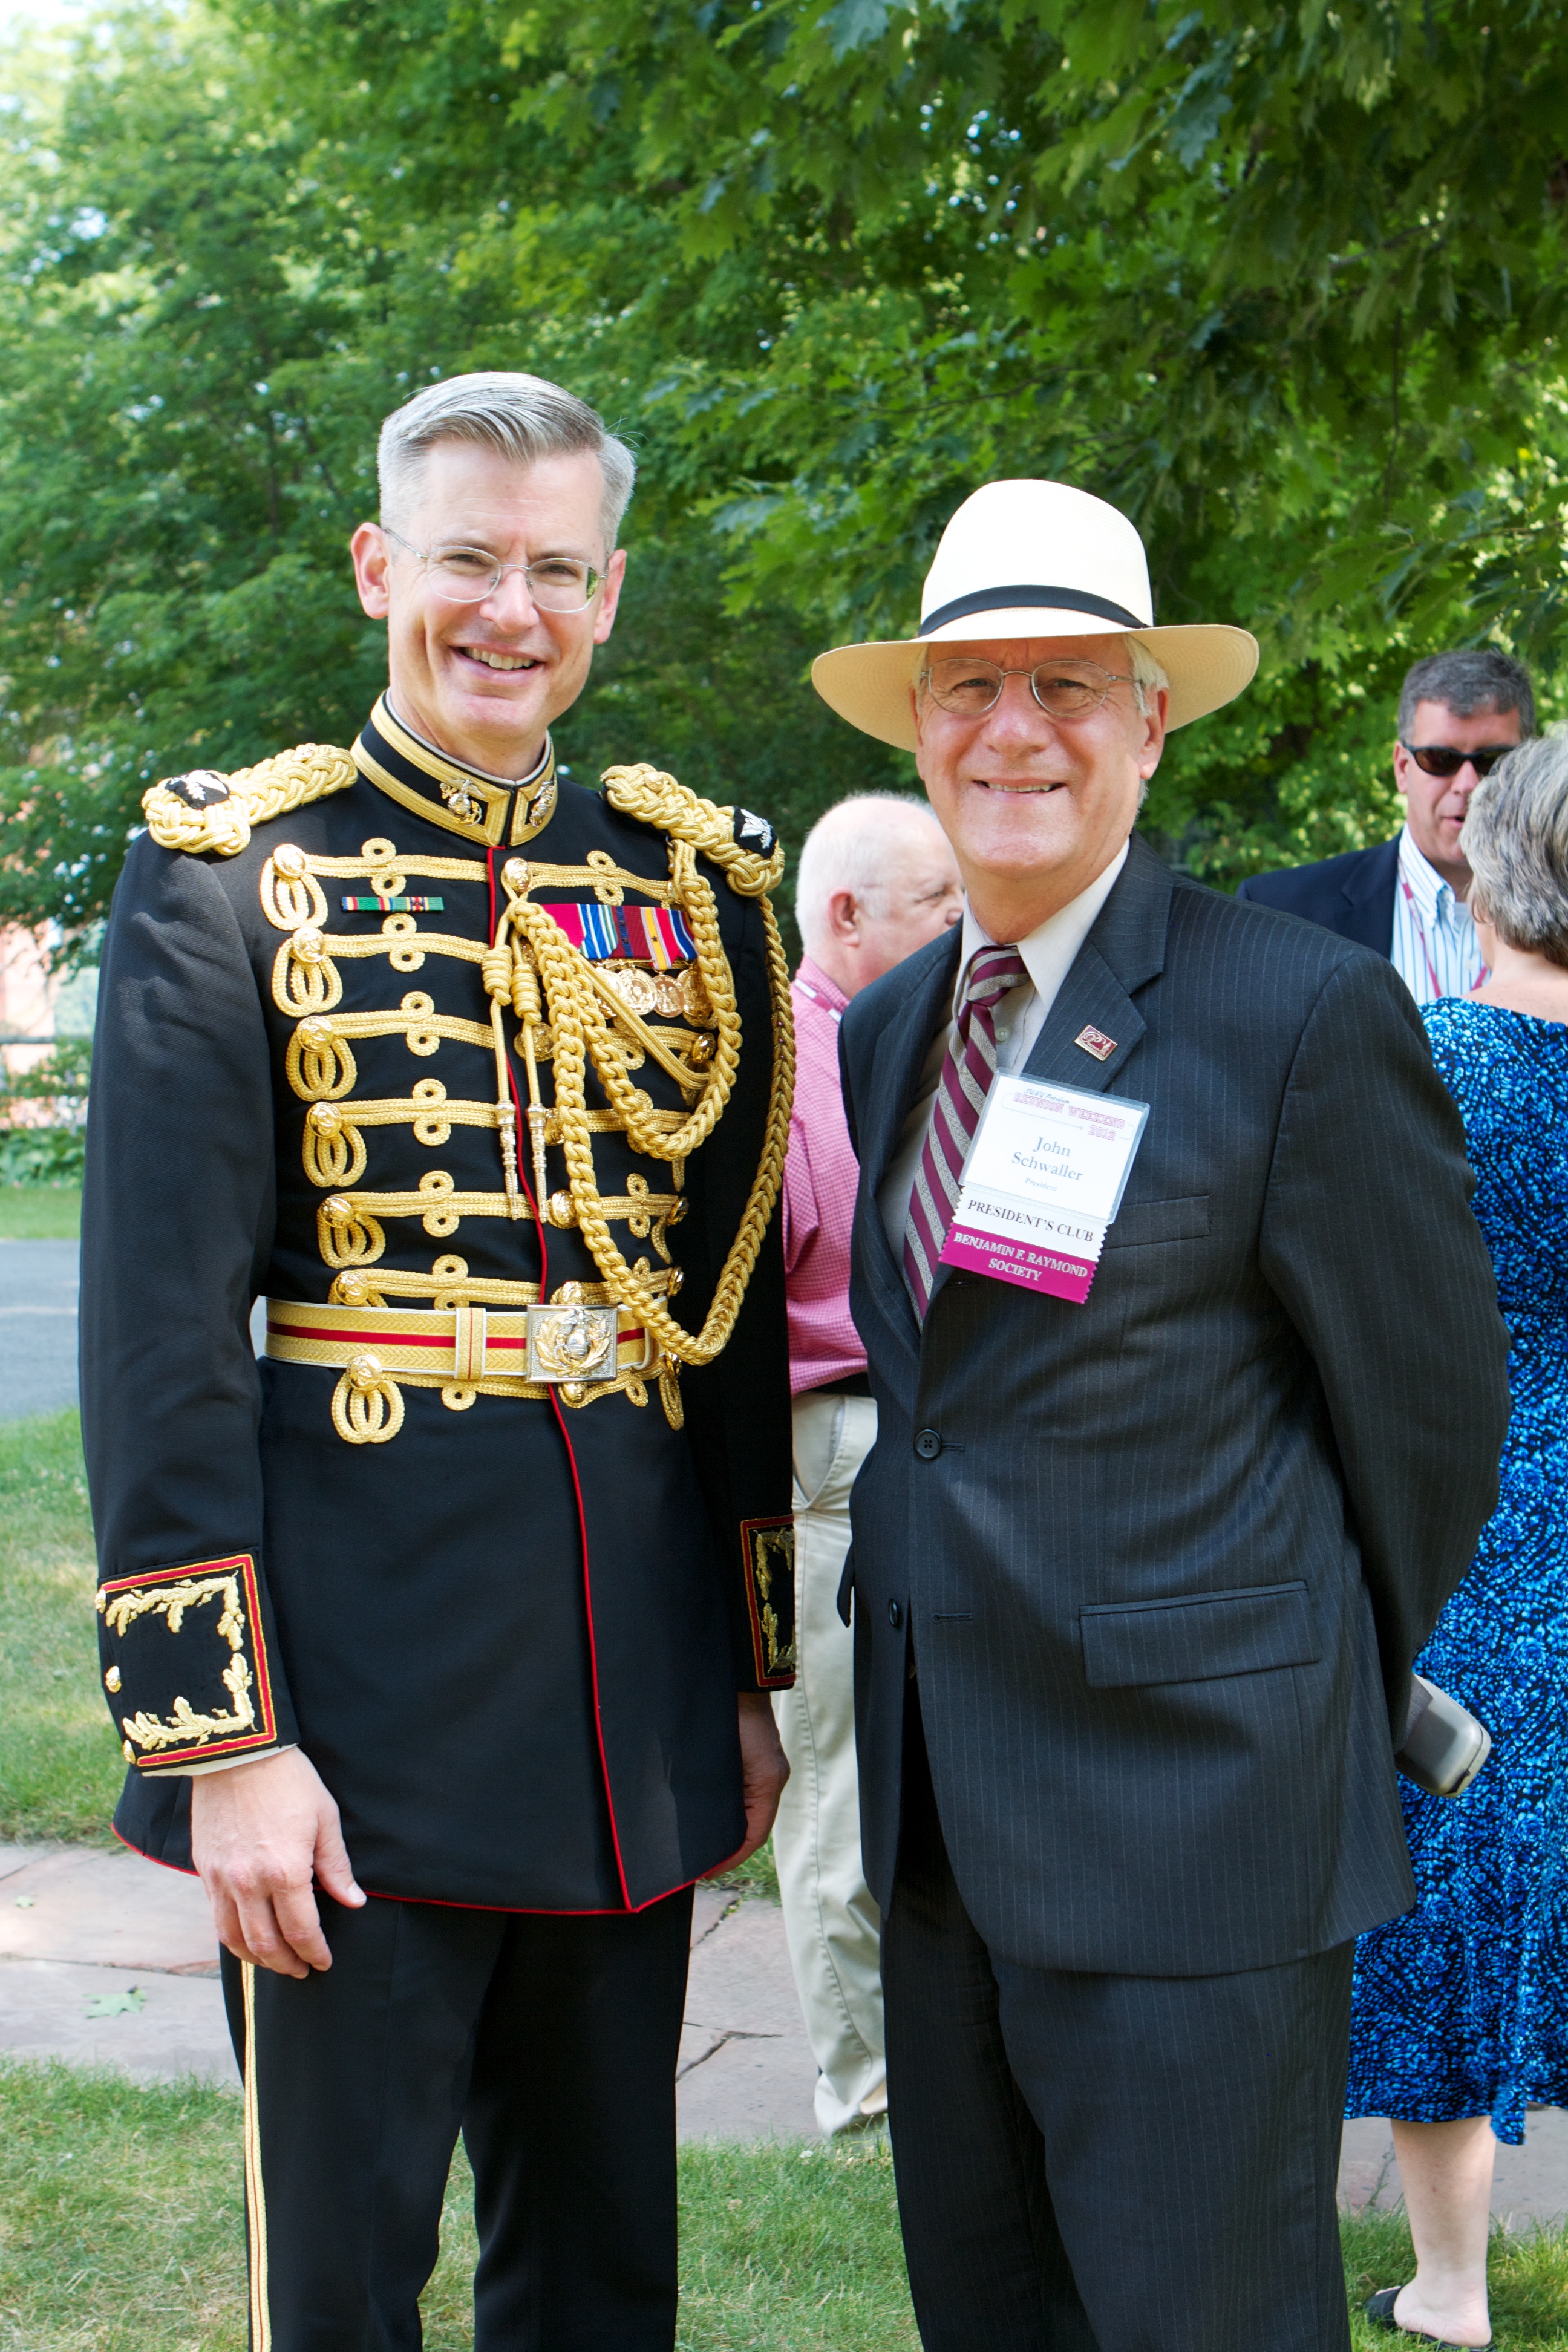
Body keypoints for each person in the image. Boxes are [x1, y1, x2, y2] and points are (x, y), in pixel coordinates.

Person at [79, 370, 796, 2349]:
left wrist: (738, 1677)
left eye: (557, 568)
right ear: (381, 563)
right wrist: (222, 1741)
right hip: (348, 1723)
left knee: (599, 2278)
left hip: (624, 1709)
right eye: (470, 556)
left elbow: (715, 1319)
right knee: (341, 2284)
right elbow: (157, 1347)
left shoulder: (697, 890)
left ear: (610, 593)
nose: (512, 608)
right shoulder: (232, 871)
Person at [808, 476, 1511, 2352]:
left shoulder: (1300, 1016)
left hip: (1200, 1840)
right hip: (943, 1832)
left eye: (1069, 685)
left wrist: (1278, 1682)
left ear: (1149, 722)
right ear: (917, 724)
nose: (1015, 729)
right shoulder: (891, 1034)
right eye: (969, 686)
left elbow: (1431, 1432)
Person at [1350, 729, 1568, 2351]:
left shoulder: (1432, 1059)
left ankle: (1452, 2287)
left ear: (1492, 863)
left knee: (1449, 1881)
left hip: (1477, 1513)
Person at [776, 793, 961, 2137]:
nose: (967, 922)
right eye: (940, 902)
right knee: (843, 1786)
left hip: (949, 1446)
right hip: (838, 1448)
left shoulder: (925, 1044)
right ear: (849, 917)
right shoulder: (788, 1068)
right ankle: (869, 2106)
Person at [1236, 650, 1534, 1003]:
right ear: (1401, 768)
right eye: (1440, 759)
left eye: (1493, 761)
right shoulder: (1282, 914)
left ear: (1527, 769)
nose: (1467, 783)